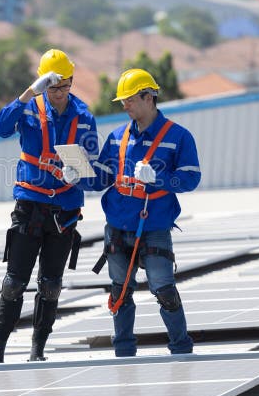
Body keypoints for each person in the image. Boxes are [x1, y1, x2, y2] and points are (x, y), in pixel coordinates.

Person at [77, 68, 201, 357]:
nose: (125, 106)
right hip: (119, 225)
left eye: (130, 100)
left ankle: (181, 349)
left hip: (154, 224)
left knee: (164, 291)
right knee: (119, 292)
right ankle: (123, 352)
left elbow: (191, 178)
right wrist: (79, 176)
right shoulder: (118, 138)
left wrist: (158, 179)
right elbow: (103, 177)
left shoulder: (178, 137)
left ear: (148, 97)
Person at [0, 48, 98, 363]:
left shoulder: (84, 116)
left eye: (65, 86)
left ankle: (37, 350)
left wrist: (78, 172)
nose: (59, 94)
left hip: (64, 210)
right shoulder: (28, 108)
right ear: (42, 84)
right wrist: (25, 95)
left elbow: (93, 167)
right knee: (14, 282)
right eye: (53, 87)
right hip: (31, 203)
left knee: (51, 285)